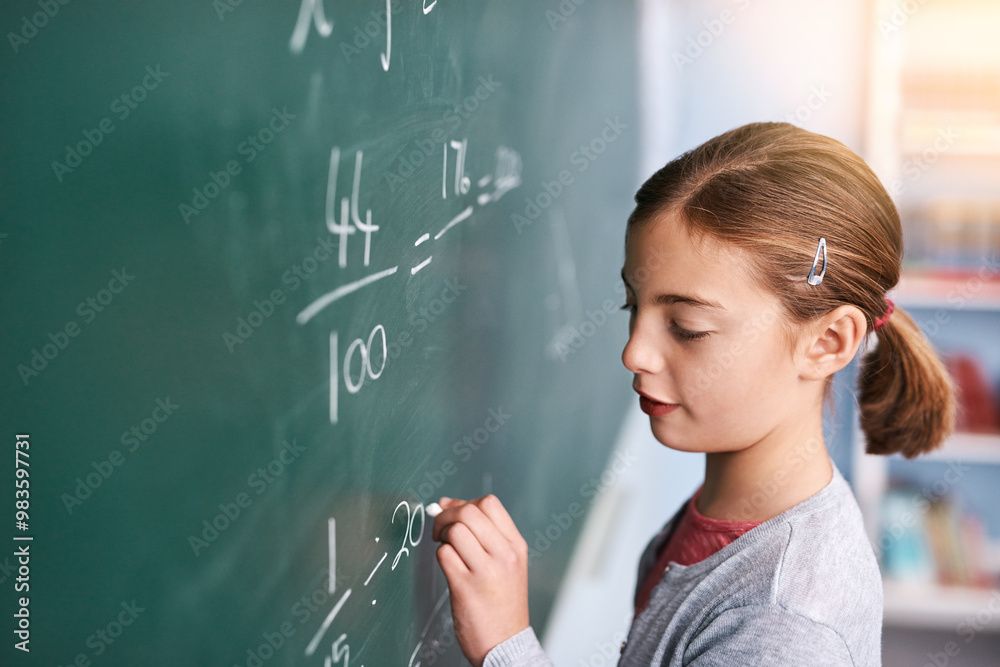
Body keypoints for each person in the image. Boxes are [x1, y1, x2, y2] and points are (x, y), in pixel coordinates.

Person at [430, 122, 956, 666]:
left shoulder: (786, 628)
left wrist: (503, 645)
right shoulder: (730, 513)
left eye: (686, 327)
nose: (635, 352)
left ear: (827, 342)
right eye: (633, 307)